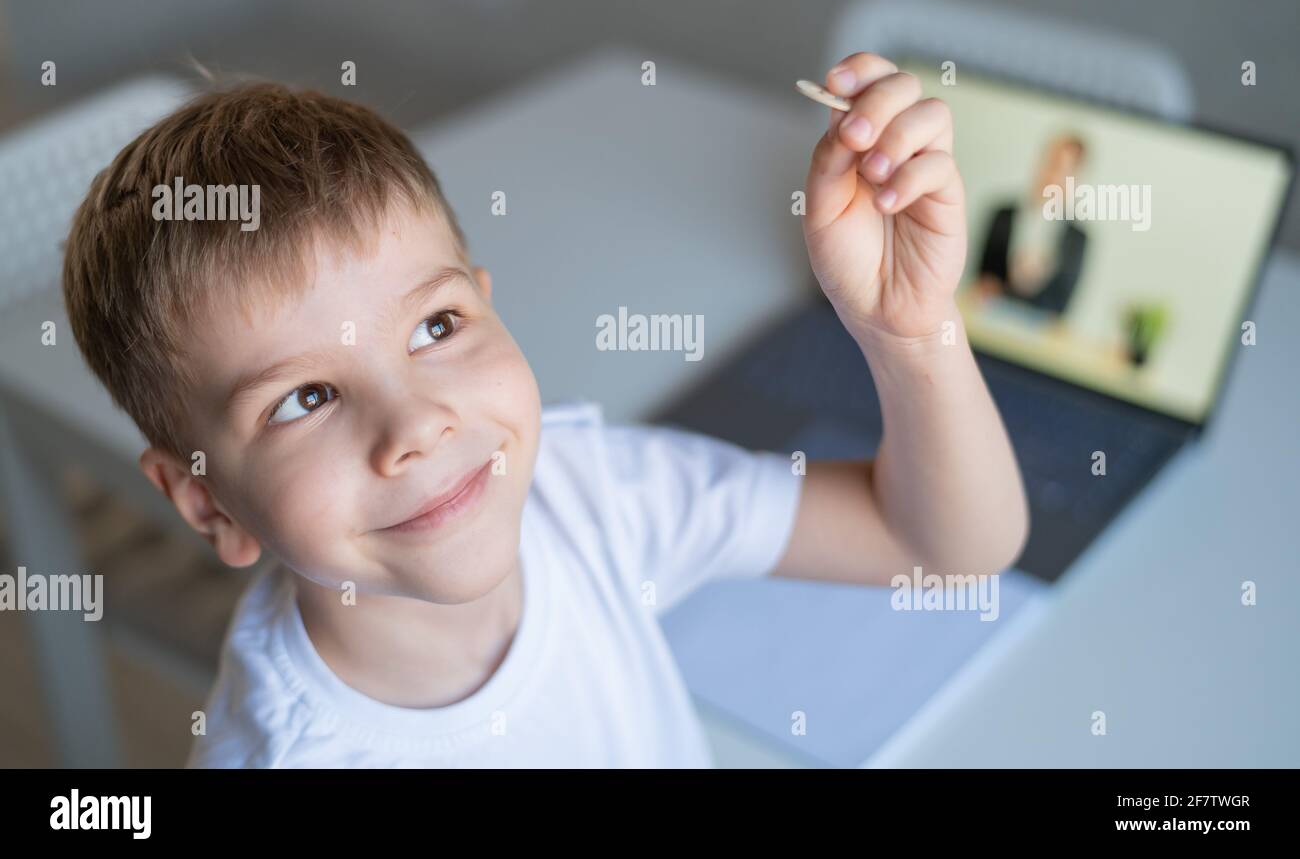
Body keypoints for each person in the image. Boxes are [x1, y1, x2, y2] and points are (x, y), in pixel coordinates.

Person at [60, 52, 1027, 767]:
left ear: (487, 298)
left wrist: (910, 333)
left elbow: (941, 547)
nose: (418, 428)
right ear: (206, 503)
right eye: (305, 398)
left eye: (436, 326)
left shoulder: (594, 493)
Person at [975, 133, 1090, 315]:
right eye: (1052, 164)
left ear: (1076, 179)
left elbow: (1062, 306)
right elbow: (982, 280)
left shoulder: (1078, 239)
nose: (1055, 176)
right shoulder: (1002, 215)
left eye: (1066, 171)